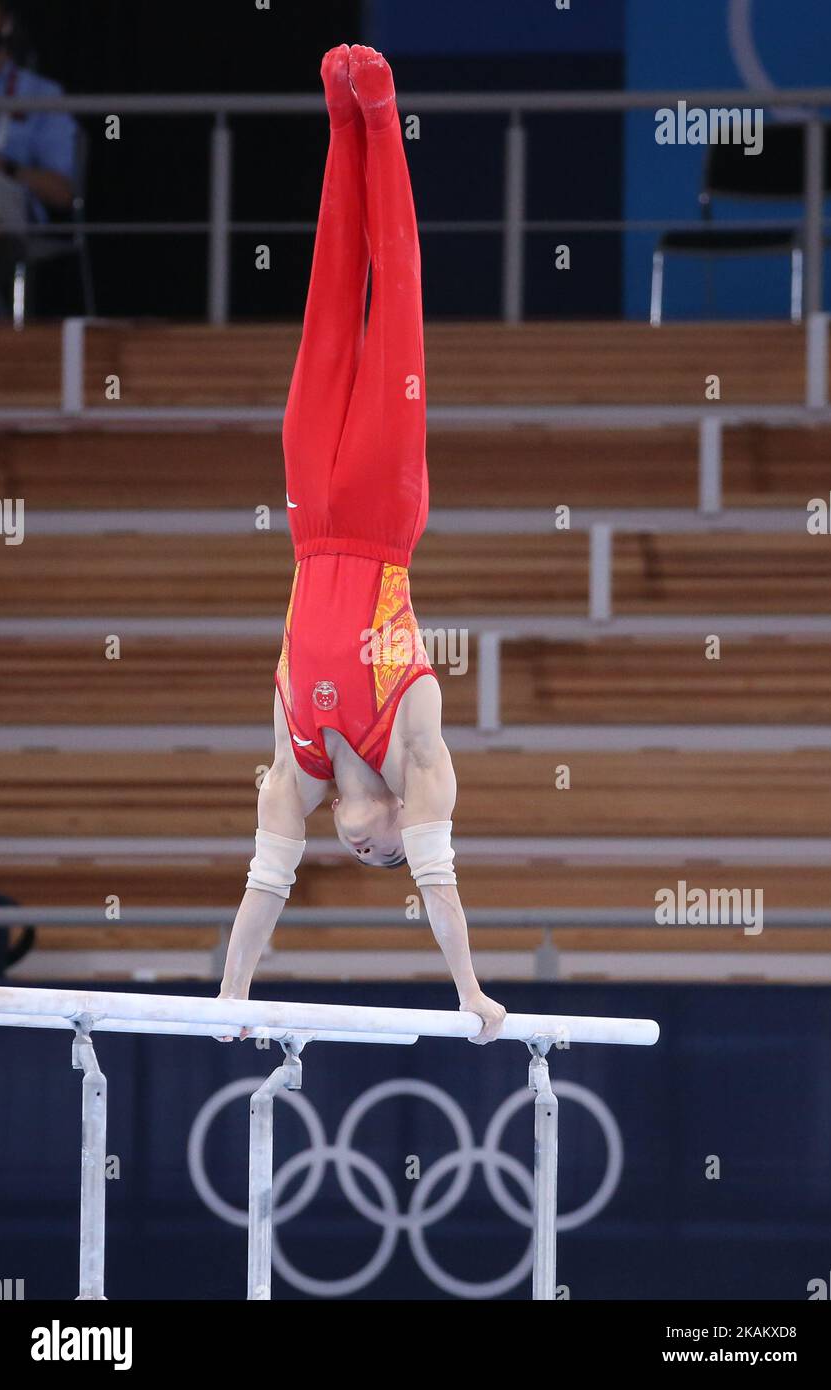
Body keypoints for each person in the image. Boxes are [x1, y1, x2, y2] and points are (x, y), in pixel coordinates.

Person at [217, 45, 506, 1044]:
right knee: (397, 299)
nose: (362, 849)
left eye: (367, 856)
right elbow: (442, 888)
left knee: (329, 301)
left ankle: (335, 123)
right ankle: (378, 115)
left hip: (307, 515)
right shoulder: (413, 743)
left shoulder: (292, 763)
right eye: (382, 852)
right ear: (395, 823)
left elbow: (263, 885)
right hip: (382, 514)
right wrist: (466, 991)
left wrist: (232, 999)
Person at [0, 0, 76, 314]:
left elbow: (64, 192)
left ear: (5, 23)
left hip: (14, 212)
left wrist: (4, 166)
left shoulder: (41, 94)